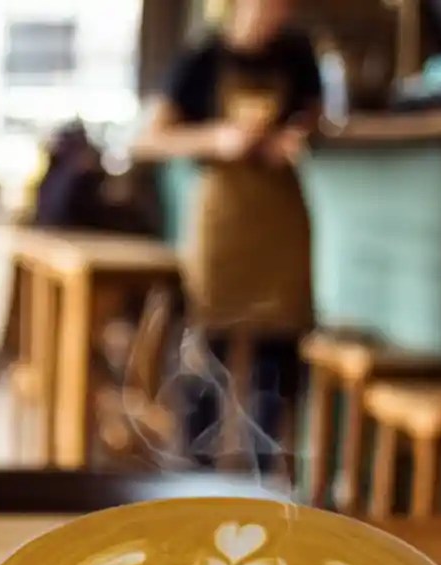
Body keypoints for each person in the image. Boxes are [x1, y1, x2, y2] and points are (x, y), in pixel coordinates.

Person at [135, 0, 321, 470]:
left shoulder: (299, 55)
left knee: (275, 358)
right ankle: (192, 475)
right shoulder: (201, 59)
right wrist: (216, 139)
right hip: (222, 221)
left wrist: (294, 138)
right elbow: (148, 140)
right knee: (207, 353)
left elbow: (315, 119)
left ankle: (266, 481)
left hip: (280, 220)